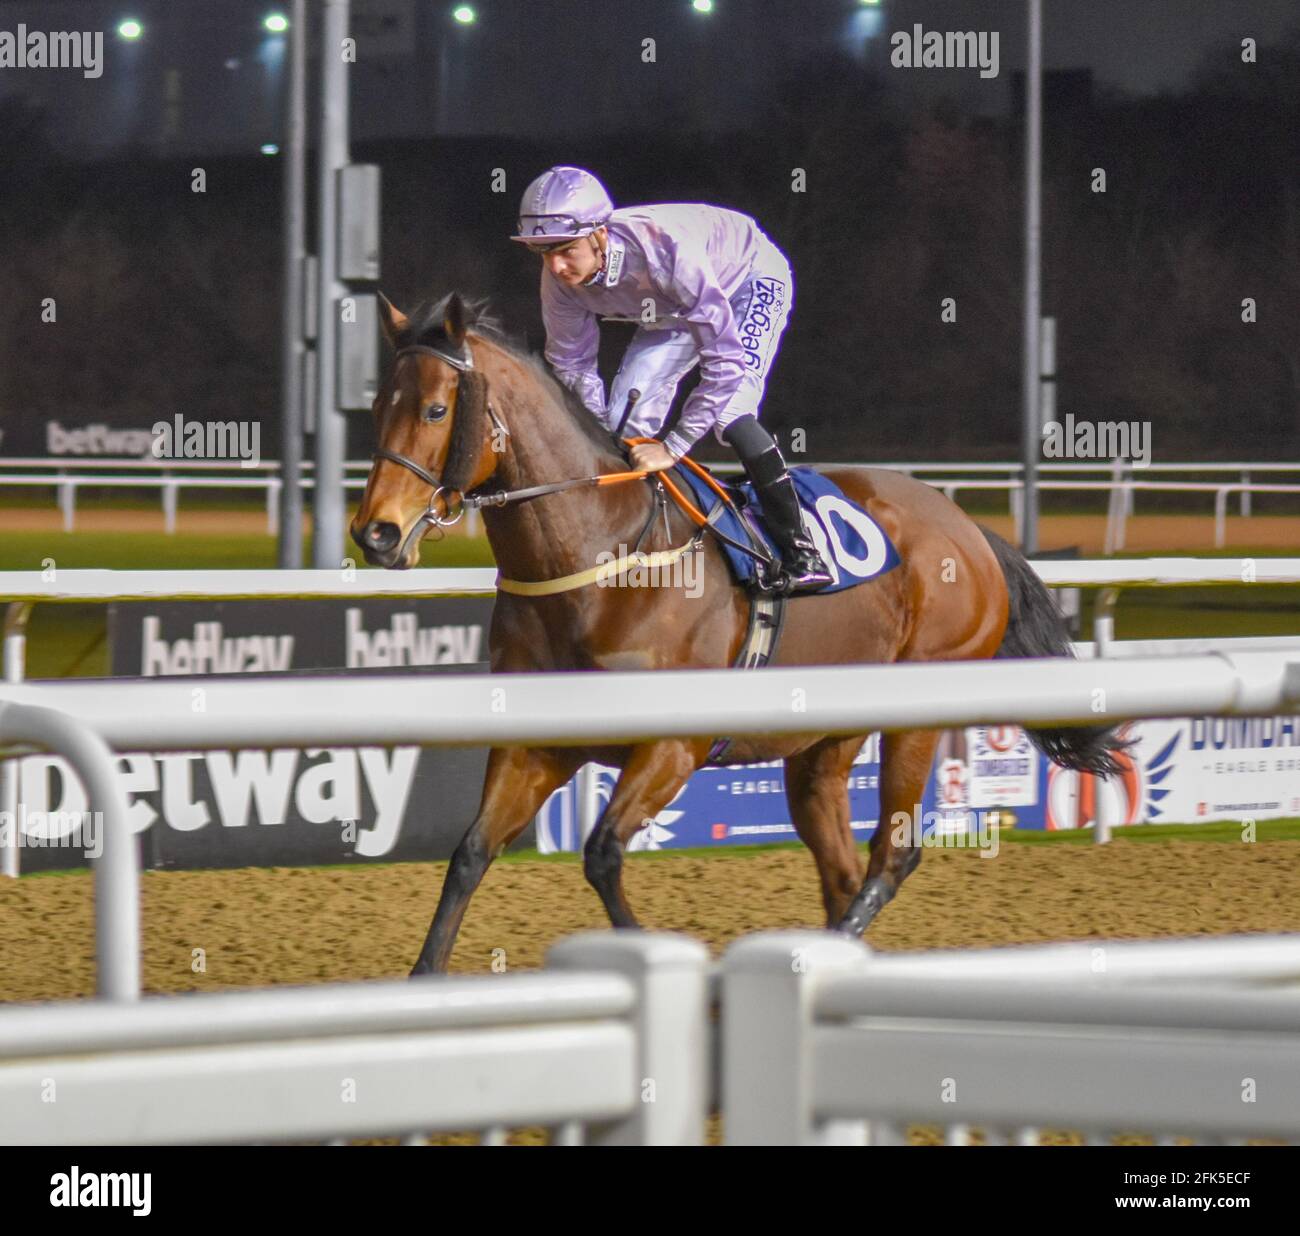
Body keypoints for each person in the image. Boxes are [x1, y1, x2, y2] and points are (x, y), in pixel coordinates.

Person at [509, 165, 832, 594]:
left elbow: (724, 359)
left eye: (566, 249)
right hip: (674, 309)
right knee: (623, 431)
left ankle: (802, 552)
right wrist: (598, 432)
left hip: (746, 281)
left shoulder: (665, 250)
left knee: (730, 410)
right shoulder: (558, 280)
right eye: (543, 252)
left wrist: (674, 447)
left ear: (600, 234)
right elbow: (573, 367)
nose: (556, 266)